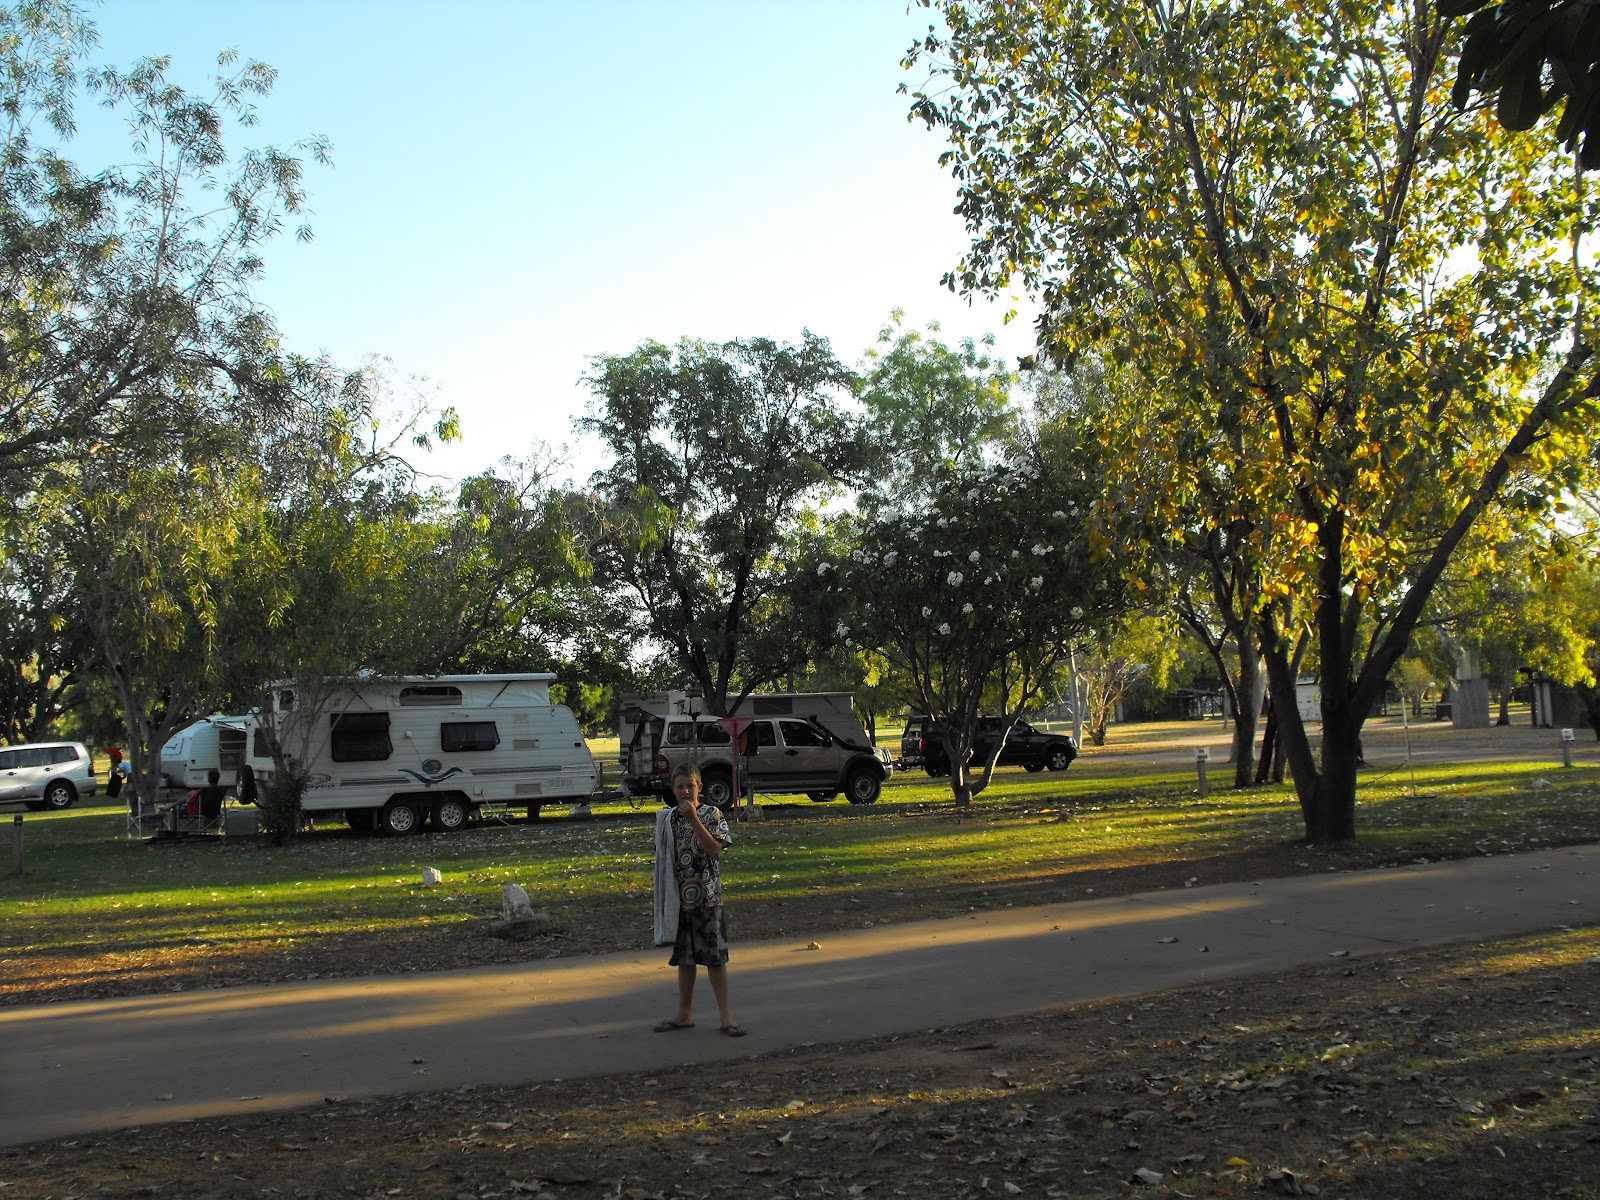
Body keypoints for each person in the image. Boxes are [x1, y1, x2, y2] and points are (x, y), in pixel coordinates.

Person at [652, 764, 744, 1036]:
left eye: (690, 786)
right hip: (679, 902)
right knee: (685, 959)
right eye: (680, 786)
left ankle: (726, 1017)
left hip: (707, 899)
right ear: (673, 790)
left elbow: (715, 851)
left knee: (714, 959)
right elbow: (663, 858)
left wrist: (694, 820)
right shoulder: (667, 819)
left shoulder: (711, 814)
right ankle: (684, 1013)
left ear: (699, 788)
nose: (685, 791)